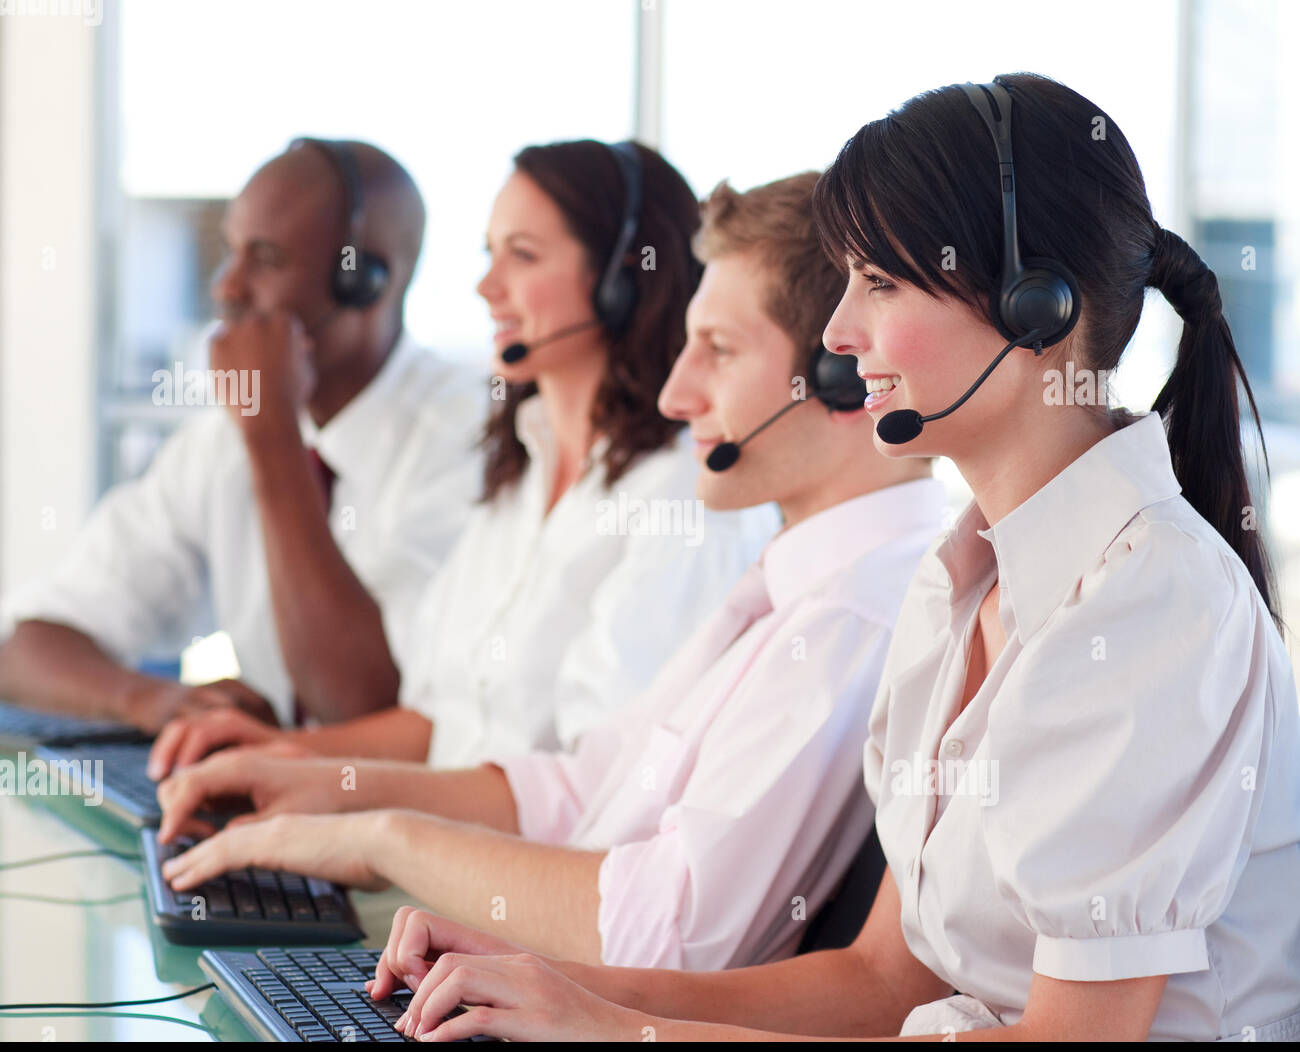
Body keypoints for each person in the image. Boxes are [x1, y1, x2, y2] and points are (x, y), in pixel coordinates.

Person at [359, 74, 1300, 1043]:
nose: (839, 337)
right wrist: (547, 984)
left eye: (879, 284)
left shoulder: (1148, 603)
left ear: (1035, 307)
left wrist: (617, 1035)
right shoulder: (957, 581)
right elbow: (880, 979)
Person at [155, 172, 947, 971]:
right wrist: (332, 790)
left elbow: (666, 936)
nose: (680, 395)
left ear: (846, 373)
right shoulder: (789, 586)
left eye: (718, 350)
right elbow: (581, 787)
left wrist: (381, 837)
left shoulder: (851, 615)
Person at [145, 139, 778, 779]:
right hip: (440, 852)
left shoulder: (680, 502)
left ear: (622, 280)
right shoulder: (518, 474)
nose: (486, 286)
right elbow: (436, 727)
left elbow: (598, 795)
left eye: (523, 256)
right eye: (488, 253)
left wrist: (361, 828)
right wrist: (269, 757)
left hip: (505, 869)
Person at [0, 138, 486, 730]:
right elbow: (26, 647)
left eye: (267, 259)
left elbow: (361, 703)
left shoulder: (469, 441)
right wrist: (157, 701)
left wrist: (272, 434)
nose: (227, 288)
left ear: (365, 279)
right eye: (231, 252)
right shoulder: (217, 443)